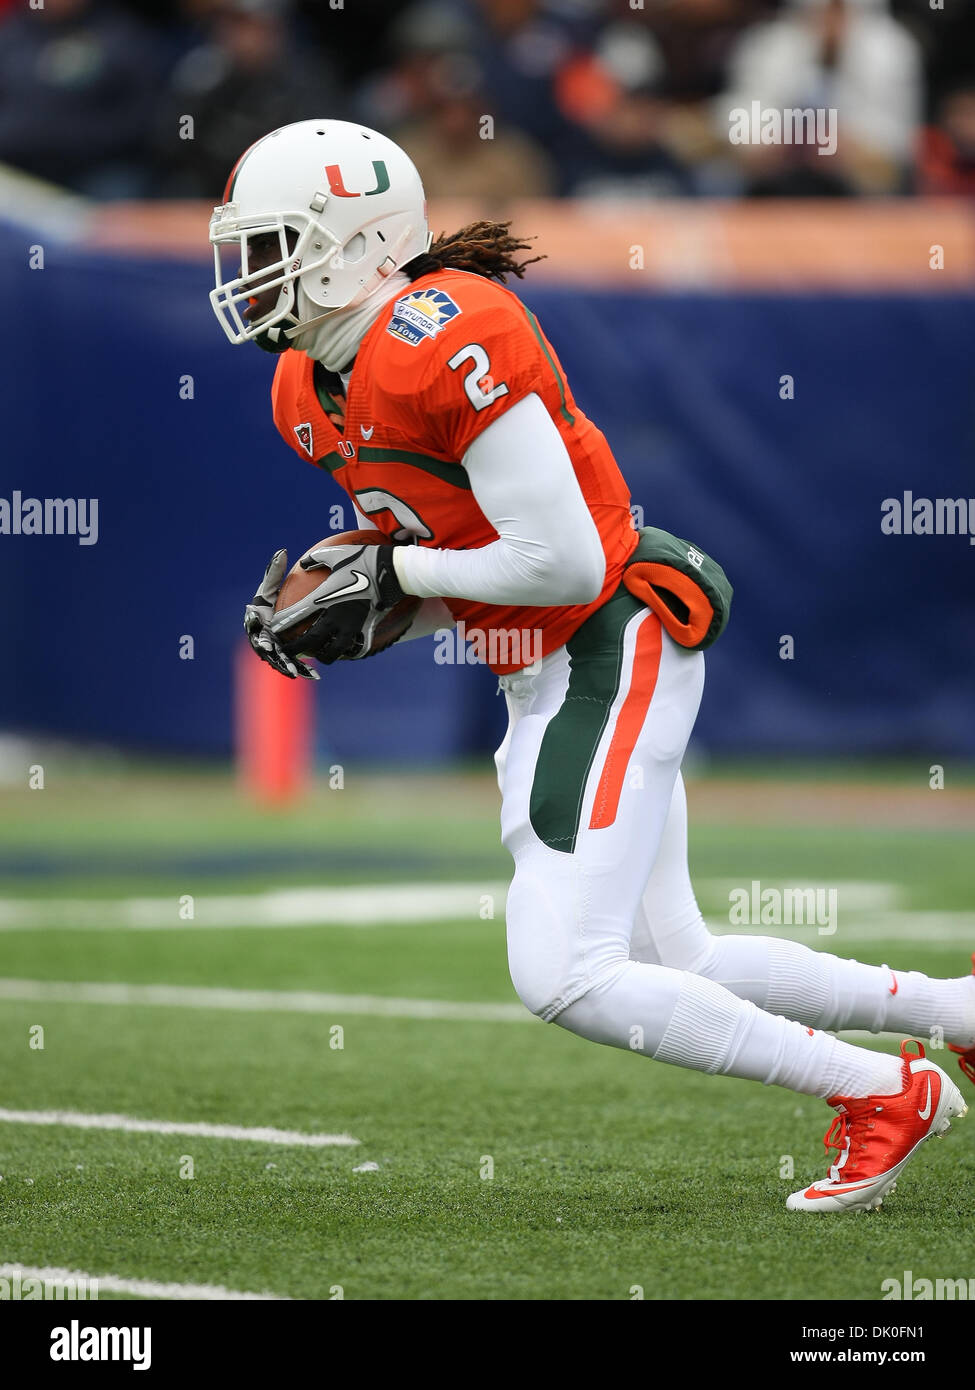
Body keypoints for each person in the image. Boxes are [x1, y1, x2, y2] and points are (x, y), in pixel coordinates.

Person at [210, 119, 972, 1213]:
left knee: (562, 969)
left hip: (608, 632)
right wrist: (364, 611)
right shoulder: (306, 387)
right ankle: (957, 1011)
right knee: (678, 957)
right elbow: (468, 571)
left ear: (353, 243)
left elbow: (560, 556)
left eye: (273, 243)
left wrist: (399, 579)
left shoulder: (444, 331)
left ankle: (881, 1089)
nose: (250, 273)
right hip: (544, 659)